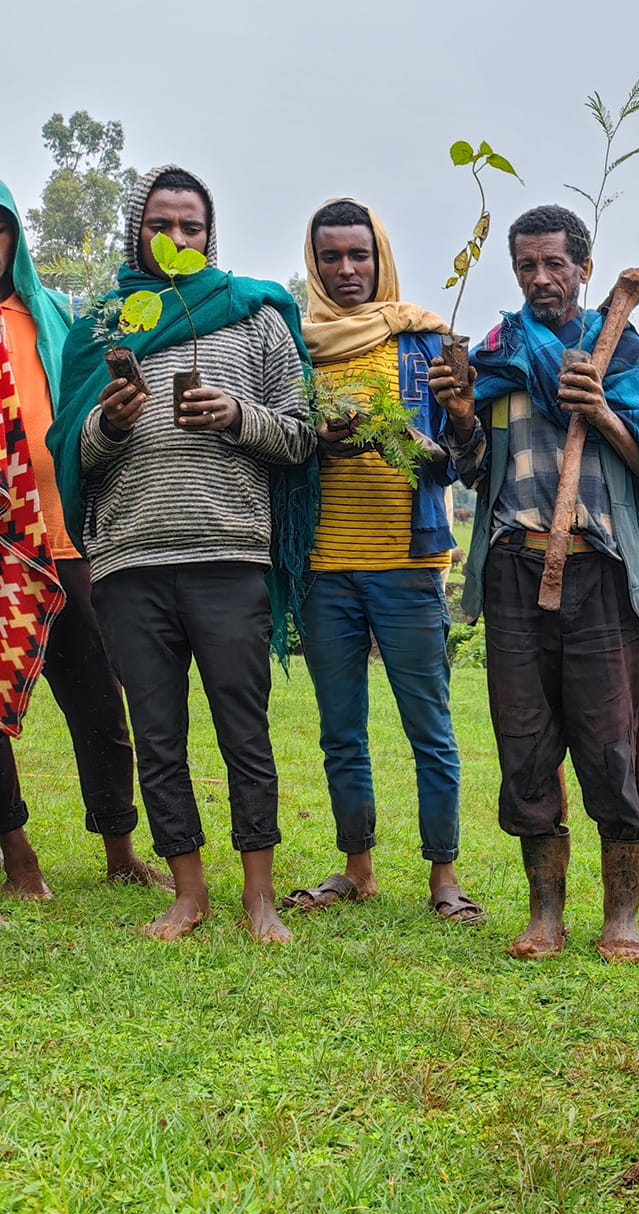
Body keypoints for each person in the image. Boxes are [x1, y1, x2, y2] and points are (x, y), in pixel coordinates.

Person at [48, 165, 319, 942]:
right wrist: (111, 423)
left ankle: (259, 896)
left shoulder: (257, 312)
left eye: (191, 226)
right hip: (130, 561)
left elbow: (299, 437)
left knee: (245, 730)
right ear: (137, 230)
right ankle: (188, 891)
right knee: (158, 734)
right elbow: (71, 446)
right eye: (160, 225)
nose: (176, 240)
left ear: (211, 232)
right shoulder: (106, 323)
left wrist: (237, 414)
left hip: (230, 553)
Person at [430, 204, 639, 963]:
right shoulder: (496, 353)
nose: (541, 278)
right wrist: (459, 416)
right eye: (527, 266)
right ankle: (544, 913)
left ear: (585, 265)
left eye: (555, 264)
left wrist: (603, 414)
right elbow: (473, 467)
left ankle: (622, 918)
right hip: (516, 570)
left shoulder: (620, 354)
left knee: (611, 745)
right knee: (524, 743)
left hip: (598, 574)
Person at [285, 199, 480, 925]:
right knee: (342, 729)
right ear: (314, 263)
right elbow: (282, 449)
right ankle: (356, 869)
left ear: (381, 257)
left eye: (358, 256)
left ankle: (445, 876)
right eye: (330, 257)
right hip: (324, 568)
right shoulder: (297, 347)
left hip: (408, 565)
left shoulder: (426, 341)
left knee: (428, 726)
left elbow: (466, 462)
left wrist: (458, 418)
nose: (345, 271)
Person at [0, 175, 165, 900]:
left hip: (66, 544)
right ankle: (17, 857)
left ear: (14, 238)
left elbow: (86, 418)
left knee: (100, 701)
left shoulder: (50, 318)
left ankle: (120, 848)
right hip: (3, 554)